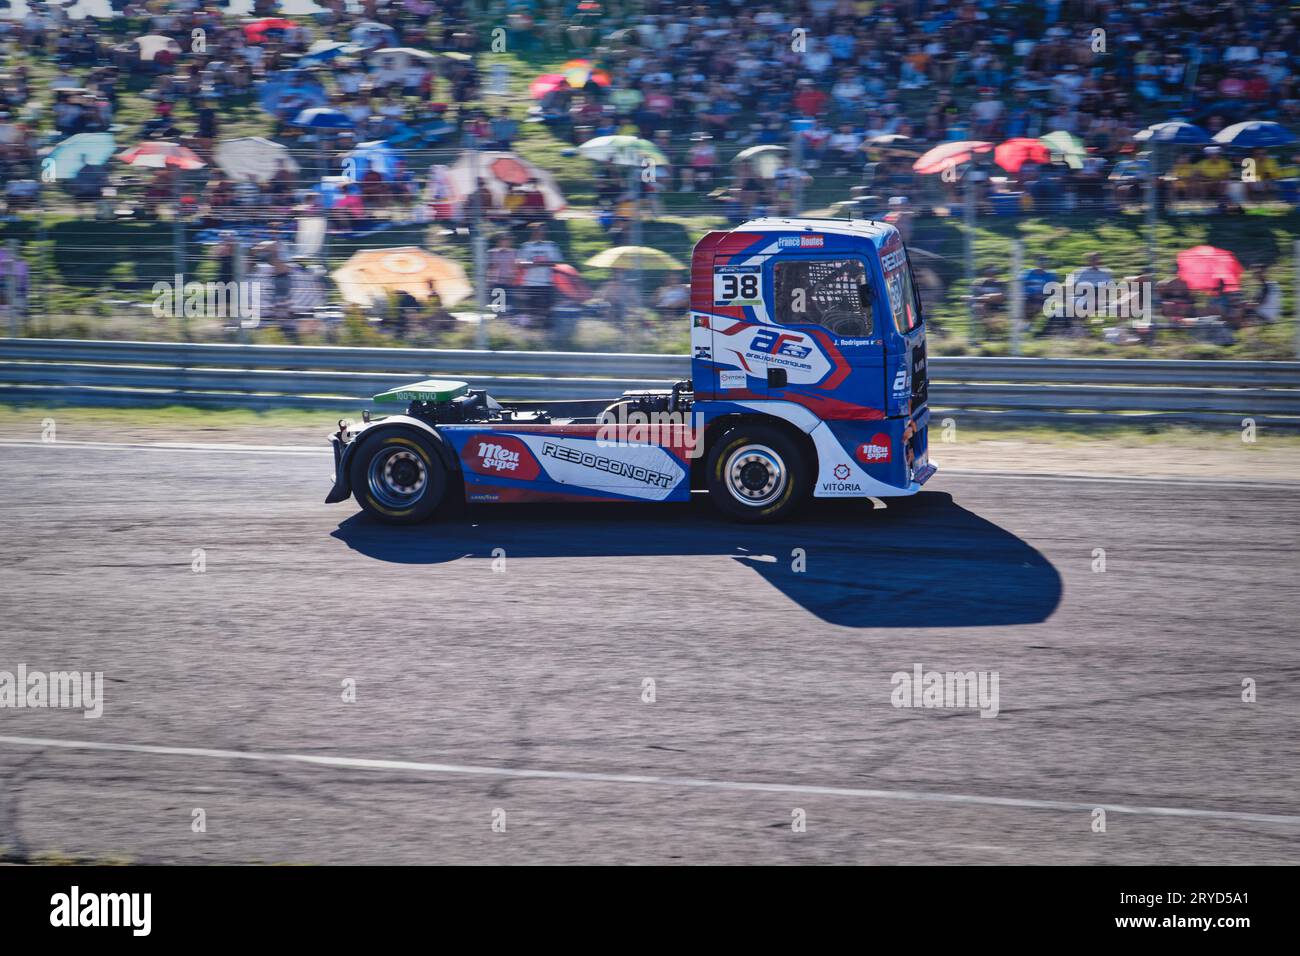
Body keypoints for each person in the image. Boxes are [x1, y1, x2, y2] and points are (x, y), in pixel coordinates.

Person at [518, 223, 560, 320]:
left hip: (546, 282)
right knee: (531, 307)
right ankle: (532, 328)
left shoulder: (551, 245)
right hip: (530, 282)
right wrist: (533, 263)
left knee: (547, 307)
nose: (542, 232)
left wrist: (542, 263)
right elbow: (520, 263)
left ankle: (547, 326)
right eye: (539, 230)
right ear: (533, 232)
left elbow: (555, 262)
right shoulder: (526, 246)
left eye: (544, 230)